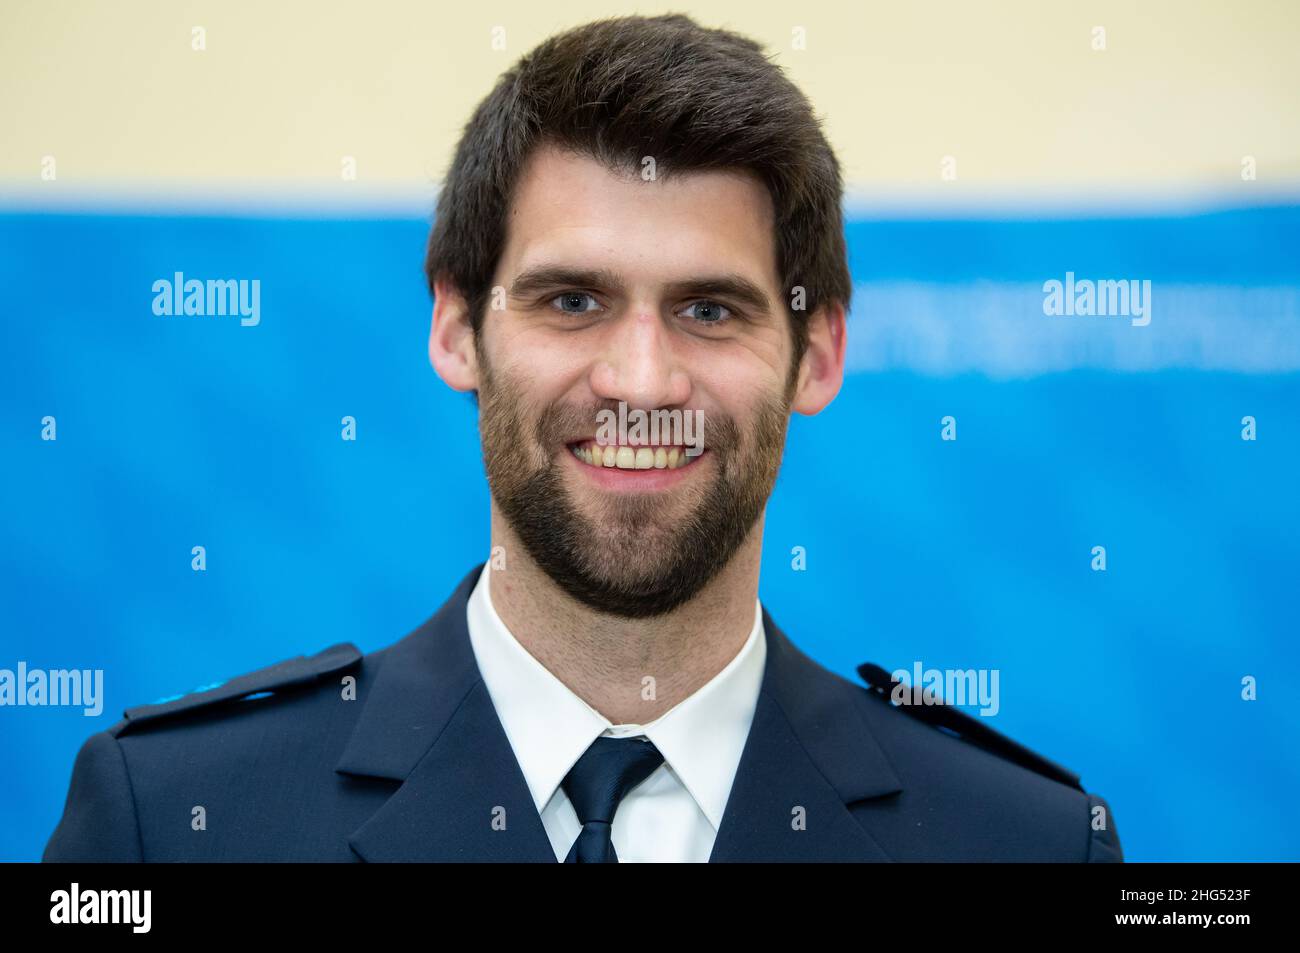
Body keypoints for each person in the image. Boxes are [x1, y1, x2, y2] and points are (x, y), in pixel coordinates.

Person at [43, 13, 1122, 863]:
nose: (640, 381)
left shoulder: (1021, 842)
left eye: (709, 309)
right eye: (571, 300)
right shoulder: (175, 821)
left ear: (820, 352)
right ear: (457, 326)